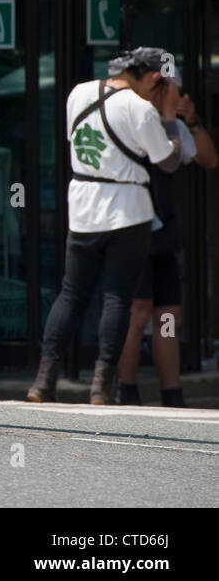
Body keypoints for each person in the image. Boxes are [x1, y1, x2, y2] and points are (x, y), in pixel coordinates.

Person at [28, 47, 184, 405]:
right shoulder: (141, 108)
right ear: (150, 77)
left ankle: (42, 380)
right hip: (128, 212)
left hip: (83, 207)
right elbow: (169, 160)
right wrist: (171, 115)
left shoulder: (78, 93)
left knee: (71, 294)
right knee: (117, 297)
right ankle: (101, 386)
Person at [117, 78, 216, 407]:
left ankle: (172, 393)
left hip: (164, 232)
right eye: (166, 89)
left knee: (169, 314)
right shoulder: (134, 119)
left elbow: (209, 159)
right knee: (138, 311)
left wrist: (190, 119)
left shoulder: (170, 124)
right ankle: (125, 390)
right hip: (133, 226)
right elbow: (162, 159)